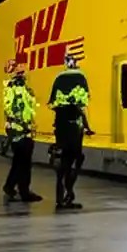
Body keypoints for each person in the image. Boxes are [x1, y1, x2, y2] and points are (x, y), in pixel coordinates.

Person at [49, 54, 92, 210]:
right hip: (74, 128)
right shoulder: (80, 77)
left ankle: (61, 198)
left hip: (61, 127)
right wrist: (86, 126)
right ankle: (69, 194)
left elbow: (52, 102)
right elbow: (82, 104)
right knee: (76, 158)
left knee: (63, 162)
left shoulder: (58, 79)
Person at [2, 68, 43, 203]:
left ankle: (10, 186)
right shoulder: (14, 89)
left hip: (24, 130)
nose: (22, 75)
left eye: (23, 72)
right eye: (19, 73)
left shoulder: (24, 89)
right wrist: (23, 125)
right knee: (24, 162)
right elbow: (11, 109)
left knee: (19, 162)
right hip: (20, 130)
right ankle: (24, 192)